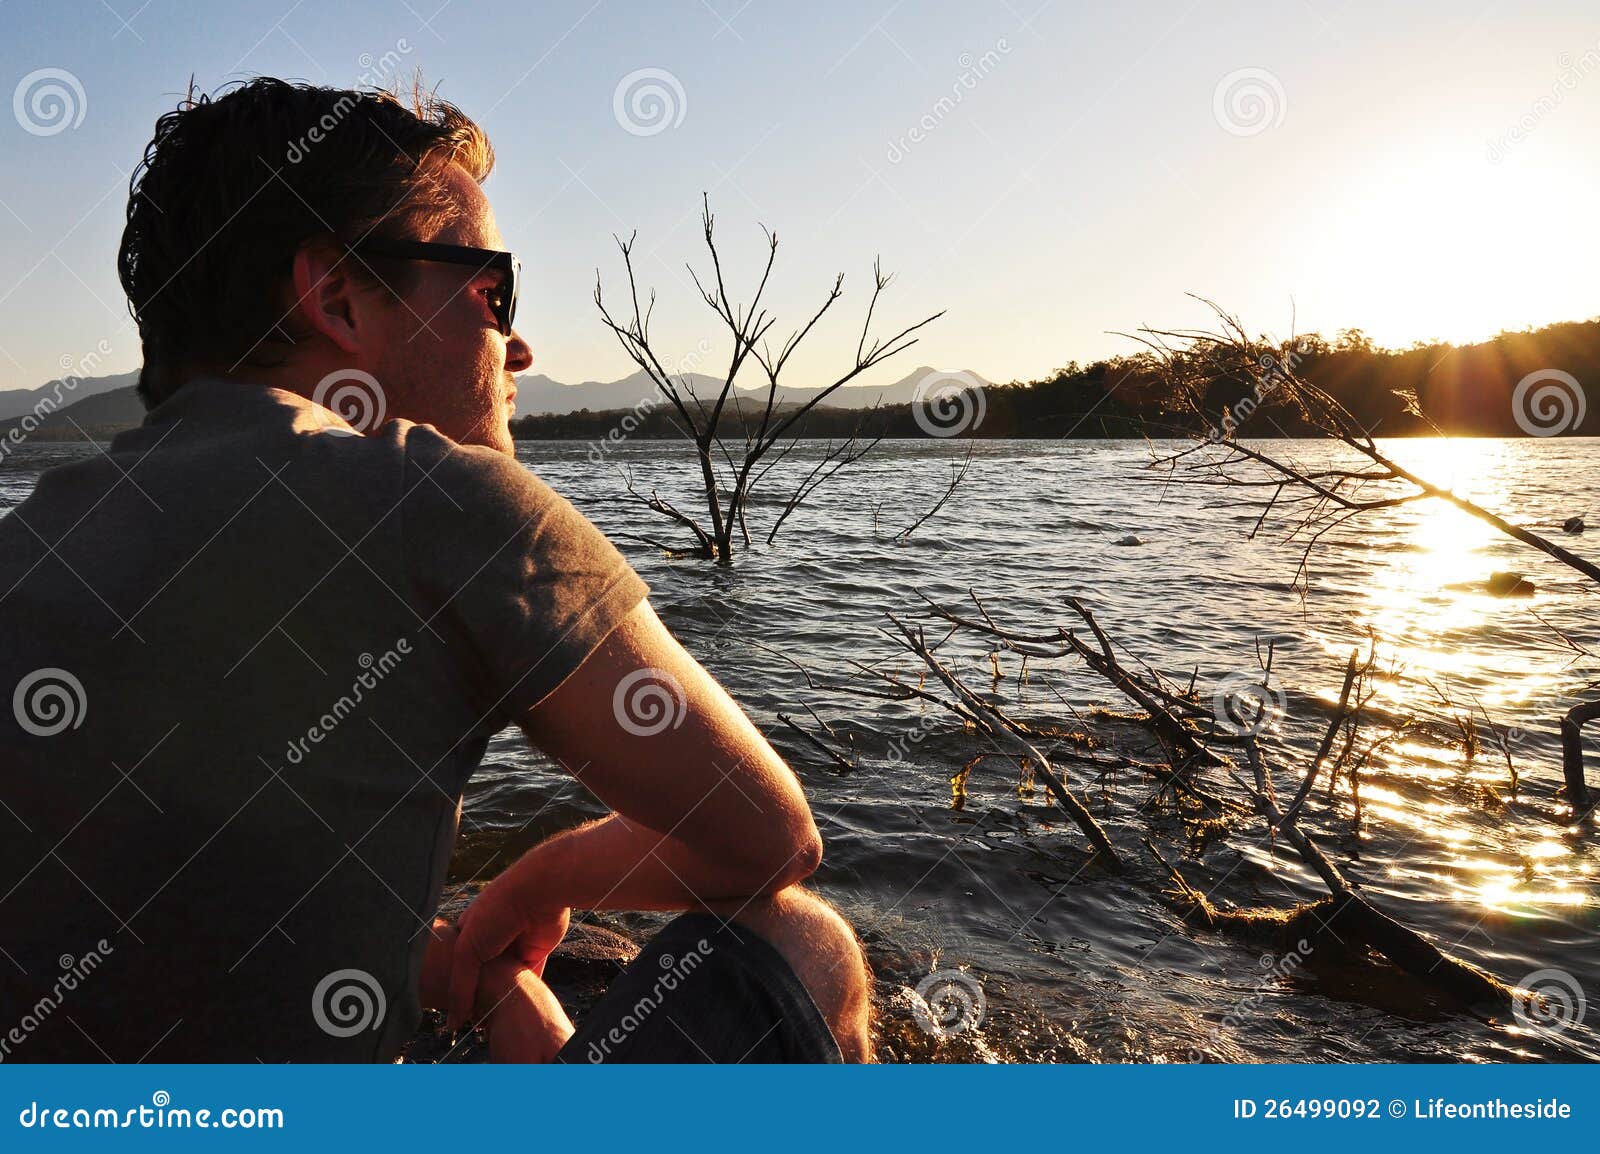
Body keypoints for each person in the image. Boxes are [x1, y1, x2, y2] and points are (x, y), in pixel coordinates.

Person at [0, 78, 869, 1063]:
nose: (519, 341)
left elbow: (183, 897)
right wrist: (536, 883)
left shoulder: (34, 537)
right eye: (492, 289)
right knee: (807, 939)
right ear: (337, 296)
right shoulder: (442, 500)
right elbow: (769, 840)